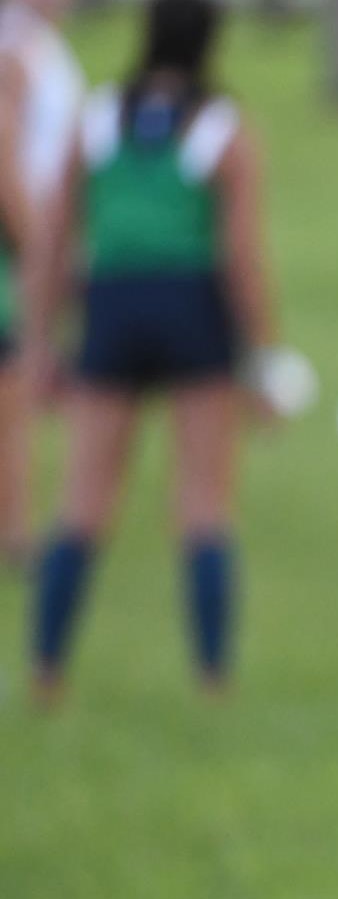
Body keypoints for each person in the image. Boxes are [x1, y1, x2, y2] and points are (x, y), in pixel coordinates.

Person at [27, 0, 280, 704]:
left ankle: (46, 671)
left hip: (110, 309)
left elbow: (53, 239)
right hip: (193, 312)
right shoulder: (225, 130)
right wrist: (262, 359)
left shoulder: (96, 119)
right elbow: (242, 258)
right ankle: (212, 676)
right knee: (204, 502)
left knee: (81, 500)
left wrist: (45, 341)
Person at [0, 0, 73, 564]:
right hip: (14, 240)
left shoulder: (40, 47)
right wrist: (33, 244)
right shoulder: (15, 49)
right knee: (13, 393)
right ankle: (15, 532)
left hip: (33, 234)